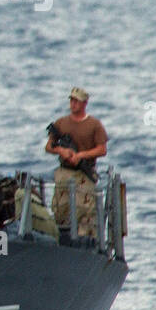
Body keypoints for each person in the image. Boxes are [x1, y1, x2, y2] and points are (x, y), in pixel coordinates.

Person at [45, 87, 107, 239]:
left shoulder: (95, 125)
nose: (73, 104)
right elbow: (48, 146)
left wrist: (81, 155)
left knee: (86, 209)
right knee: (61, 207)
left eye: (76, 101)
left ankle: (85, 239)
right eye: (71, 100)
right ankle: (63, 237)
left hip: (84, 172)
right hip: (65, 172)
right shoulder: (61, 123)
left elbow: (102, 149)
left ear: (85, 103)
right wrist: (61, 151)